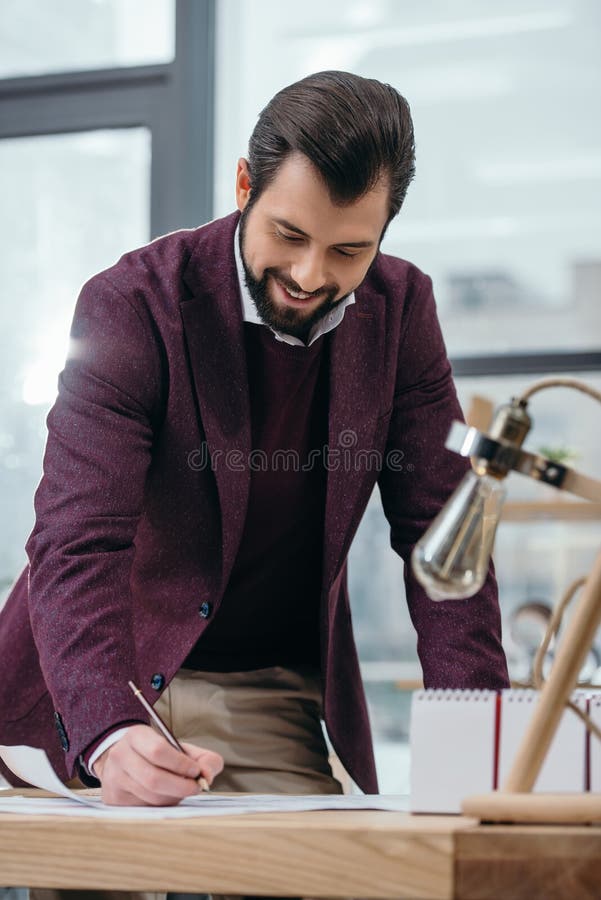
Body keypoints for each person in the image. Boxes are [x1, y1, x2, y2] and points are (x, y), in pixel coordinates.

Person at [0, 71, 509, 817]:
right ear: (244, 184)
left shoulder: (402, 312)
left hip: (266, 683)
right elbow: (78, 541)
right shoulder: (132, 304)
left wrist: (479, 746)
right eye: (290, 236)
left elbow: (444, 536)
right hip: (105, 674)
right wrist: (106, 728)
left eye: (347, 251)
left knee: (313, 876)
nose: (310, 275)